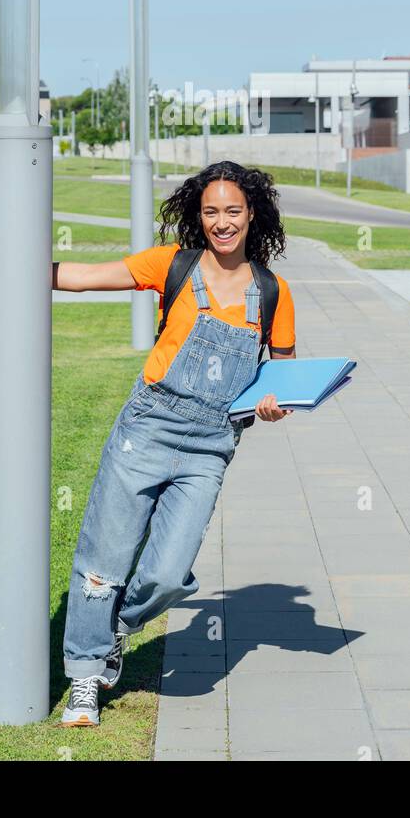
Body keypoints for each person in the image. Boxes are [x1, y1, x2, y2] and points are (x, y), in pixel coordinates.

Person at [56, 160, 296, 727]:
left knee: (168, 574)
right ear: (199, 216)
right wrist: (21, 267)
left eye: (232, 211)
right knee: (103, 561)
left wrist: (272, 405)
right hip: (146, 430)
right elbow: (87, 276)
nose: (221, 222)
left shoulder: (271, 290)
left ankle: (115, 629)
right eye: (211, 211)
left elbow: (282, 376)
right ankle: (85, 678)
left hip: (209, 447)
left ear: (251, 214)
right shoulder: (173, 265)